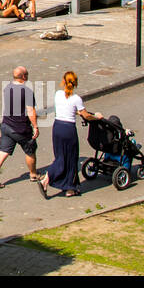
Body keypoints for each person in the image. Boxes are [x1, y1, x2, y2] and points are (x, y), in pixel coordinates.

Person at [39, 70, 103, 198]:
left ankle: (69, 187)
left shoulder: (58, 94)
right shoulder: (76, 99)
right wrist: (96, 117)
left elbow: (68, 109)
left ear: (63, 81)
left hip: (57, 127)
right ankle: (47, 178)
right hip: (69, 129)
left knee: (60, 156)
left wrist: (78, 111)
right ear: (75, 83)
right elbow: (85, 115)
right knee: (70, 158)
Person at [0, 66, 39, 187]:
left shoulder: (7, 88)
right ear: (23, 76)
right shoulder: (26, 91)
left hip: (7, 125)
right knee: (30, 149)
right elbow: (30, 110)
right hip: (20, 128)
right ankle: (33, 174)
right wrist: (35, 126)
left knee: (3, 151)